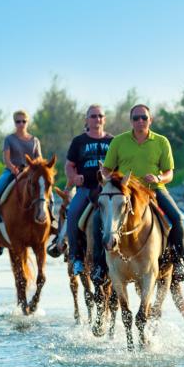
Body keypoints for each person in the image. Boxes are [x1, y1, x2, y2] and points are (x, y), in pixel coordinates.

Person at [101, 104, 184, 282]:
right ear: (131, 121)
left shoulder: (161, 141)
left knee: (177, 219)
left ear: (151, 120)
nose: (140, 121)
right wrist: (112, 181)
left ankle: (179, 261)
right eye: (136, 118)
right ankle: (100, 267)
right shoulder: (119, 141)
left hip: (154, 191)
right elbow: (106, 169)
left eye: (144, 118)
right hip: (126, 193)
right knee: (98, 221)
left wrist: (158, 178)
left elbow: (169, 173)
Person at [63, 104, 113, 282]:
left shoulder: (113, 141)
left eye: (100, 116)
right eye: (93, 116)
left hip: (108, 189)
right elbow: (69, 165)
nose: (97, 119)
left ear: (104, 119)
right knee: (73, 213)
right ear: (86, 119)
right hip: (86, 189)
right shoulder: (79, 141)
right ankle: (76, 257)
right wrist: (74, 177)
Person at [0, 109, 43, 236]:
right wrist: (13, 168)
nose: (21, 124)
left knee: (47, 194)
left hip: (30, 173)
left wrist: (36, 170)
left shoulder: (35, 140)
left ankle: (50, 220)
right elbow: (6, 159)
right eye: (18, 121)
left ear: (27, 122)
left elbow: (39, 158)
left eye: (23, 121)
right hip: (11, 172)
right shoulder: (9, 139)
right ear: (14, 123)